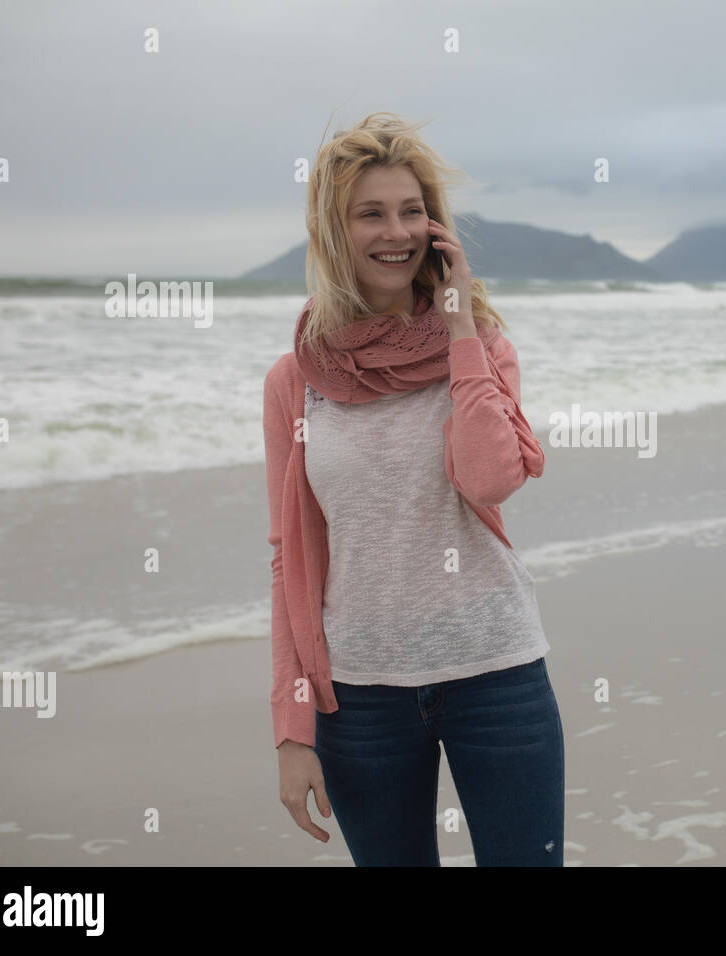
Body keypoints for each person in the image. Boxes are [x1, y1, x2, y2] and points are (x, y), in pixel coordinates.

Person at [262, 112, 564, 865]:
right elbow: (290, 559)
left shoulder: (485, 348)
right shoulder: (294, 383)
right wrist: (293, 727)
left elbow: (491, 479)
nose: (395, 232)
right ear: (335, 231)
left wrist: (460, 328)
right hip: (360, 699)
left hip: (496, 673)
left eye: (411, 211)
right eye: (370, 213)